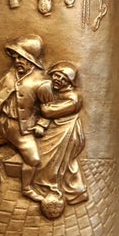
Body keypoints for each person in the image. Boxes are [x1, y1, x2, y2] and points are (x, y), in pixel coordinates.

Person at [0, 34, 49, 202]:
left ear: (30, 60)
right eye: (15, 58)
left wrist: (42, 125)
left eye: (21, 58)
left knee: (33, 159)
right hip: (0, 123)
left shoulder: (42, 83)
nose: (17, 61)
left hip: (21, 129)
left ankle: (27, 188)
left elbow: (48, 109)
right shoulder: (9, 75)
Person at [36, 61, 87, 205]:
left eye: (62, 78)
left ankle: (73, 192)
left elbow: (48, 111)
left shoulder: (74, 99)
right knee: (61, 162)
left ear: (69, 82)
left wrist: (43, 104)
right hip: (58, 131)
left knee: (62, 162)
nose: (57, 79)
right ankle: (65, 189)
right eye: (56, 75)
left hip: (67, 133)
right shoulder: (58, 92)